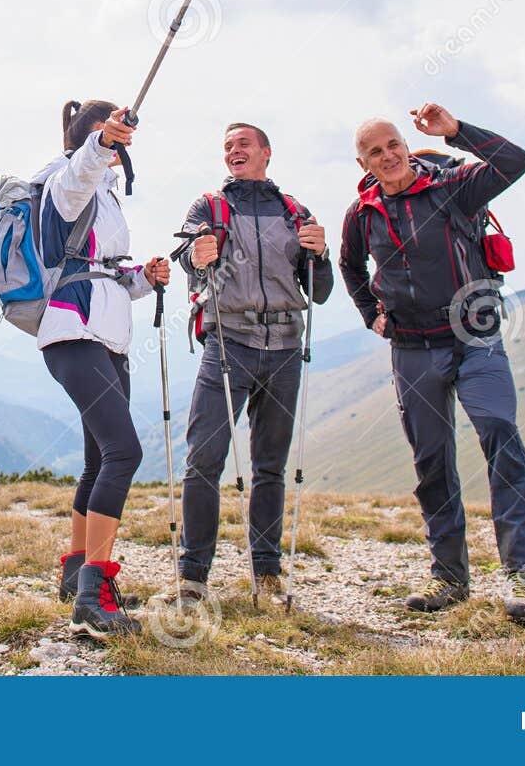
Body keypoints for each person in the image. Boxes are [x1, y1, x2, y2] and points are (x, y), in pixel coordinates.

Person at [338, 103, 525, 620]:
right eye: (374, 152)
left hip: (475, 340)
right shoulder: (362, 214)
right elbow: (348, 264)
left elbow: (514, 162)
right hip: (411, 348)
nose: (387, 156)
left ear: (406, 146)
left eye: (392, 145)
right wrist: (371, 314)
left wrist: (457, 131)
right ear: (362, 163)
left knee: (500, 436)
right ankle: (450, 579)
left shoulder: (454, 186)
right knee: (432, 462)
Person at [174, 122, 334, 606]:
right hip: (230, 343)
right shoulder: (210, 206)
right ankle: (193, 576)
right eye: (226, 146)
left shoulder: (294, 211)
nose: (232, 151)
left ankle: (266, 571)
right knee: (204, 459)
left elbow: (320, 291)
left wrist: (321, 254)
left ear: (266, 152)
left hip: (286, 346)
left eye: (242, 144)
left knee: (271, 465)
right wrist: (193, 254)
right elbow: (187, 253)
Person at [36, 99, 170, 638]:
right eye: (101, 138)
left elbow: (103, 276)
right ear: (84, 142)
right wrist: (101, 142)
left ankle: (77, 572)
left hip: (108, 336)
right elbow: (79, 173)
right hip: (72, 333)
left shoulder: (108, 198)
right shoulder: (64, 182)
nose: (112, 149)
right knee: (125, 452)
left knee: (97, 461)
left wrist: (145, 277)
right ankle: (95, 594)